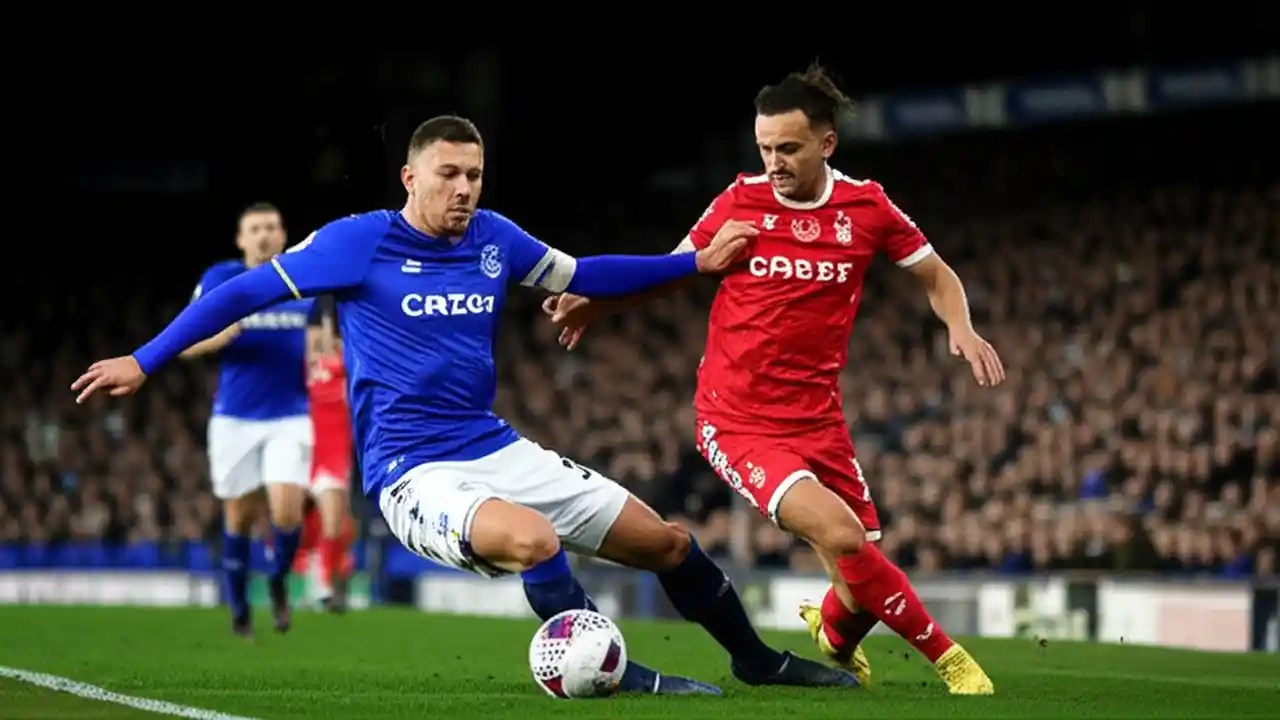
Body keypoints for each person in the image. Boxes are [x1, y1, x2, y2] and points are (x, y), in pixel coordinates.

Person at [72, 114, 856, 695]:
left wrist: (692, 262)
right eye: (449, 174)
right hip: (411, 473)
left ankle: (757, 661)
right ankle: (613, 674)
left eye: (474, 175)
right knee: (535, 540)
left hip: (492, 445)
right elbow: (241, 293)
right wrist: (145, 360)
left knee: (672, 544)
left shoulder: (494, 240)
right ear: (411, 179)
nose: (464, 188)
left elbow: (585, 273)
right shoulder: (358, 242)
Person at [542, 64, 1004, 695]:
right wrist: (596, 303)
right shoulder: (739, 201)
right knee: (845, 538)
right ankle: (952, 660)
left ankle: (834, 633)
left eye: (788, 148)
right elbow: (675, 267)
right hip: (737, 420)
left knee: (858, 575)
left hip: (819, 418)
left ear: (826, 143)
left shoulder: (866, 207)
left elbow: (936, 274)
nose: (774, 162)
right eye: (764, 148)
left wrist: (961, 326)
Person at [177, 201, 314, 639]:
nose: (263, 235)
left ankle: (276, 581)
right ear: (241, 239)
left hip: (292, 415)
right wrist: (219, 336)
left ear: (283, 233)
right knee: (237, 518)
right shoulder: (221, 279)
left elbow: (324, 342)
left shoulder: (304, 280)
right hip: (235, 418)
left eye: (271, 227)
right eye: (254, 228)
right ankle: (238, 609)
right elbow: (184, 342)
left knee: (287, 510)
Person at [300, 295, 356, 612]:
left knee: (335, 523)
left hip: (333, 457)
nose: (316, 341)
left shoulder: (345, 367)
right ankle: (313, 569)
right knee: (291, 523)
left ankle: (325, 581)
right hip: (301, 455)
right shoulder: (298, 372)